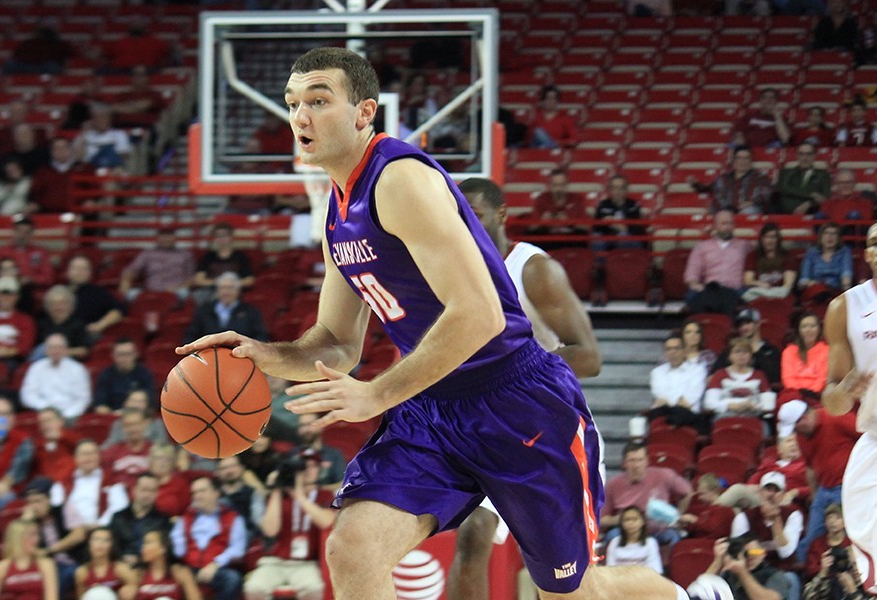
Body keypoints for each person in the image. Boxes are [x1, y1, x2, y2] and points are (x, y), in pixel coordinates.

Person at [180, 46, 682, 600]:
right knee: (354, 547)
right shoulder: (337, 210)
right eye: (293, 102)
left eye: (319, 100)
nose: (301, 115)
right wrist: (263, 354)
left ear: (364, 112)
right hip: (433, 411)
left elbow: (481, 315)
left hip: (518, 406)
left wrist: (375, 395)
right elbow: (338, 342)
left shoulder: (400, 180)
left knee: (572, 594)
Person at [451, 176, 606, 599]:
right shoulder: (451, 275)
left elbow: (589, 356)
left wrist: (515, 375)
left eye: (476, 215)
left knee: (573, 585)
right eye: (459, 216)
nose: (466, 224)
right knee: (471, 537)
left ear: (501, 216)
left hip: (552, 432)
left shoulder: (533, 269)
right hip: (488, 432)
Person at [820, 217, 877, 594]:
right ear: (866, 253)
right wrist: (846, 388)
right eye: (876, 243)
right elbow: (832, 403)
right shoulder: (845, 308)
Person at [243, 448, 336, 600]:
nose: (307, 470)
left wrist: (299, 495)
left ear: (320, 470)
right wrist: (277, 489)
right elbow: (270, 531)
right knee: (254, 588)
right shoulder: (281, 496)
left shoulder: (324, 495)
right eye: (303, 466)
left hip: (306, 563)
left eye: (313, 465)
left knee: (313, 589)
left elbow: (327, 521)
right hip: (276, 561)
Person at [777, 400, 860, 562]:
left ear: (805, 418)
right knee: (811, 538)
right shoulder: (802, 436)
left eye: (795, 427)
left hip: (848, 486)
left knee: (848, 535)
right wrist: (815, 498)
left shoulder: (836, 416)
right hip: (824, 489)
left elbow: (868, 437)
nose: (795, 433)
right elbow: (810, 468)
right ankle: (807, 576)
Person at [600, 442, 692, 548]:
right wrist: (622, 519)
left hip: (658, 530)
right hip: (627, 532)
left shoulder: (663, 475)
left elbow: (687, 492)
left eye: (640, 460)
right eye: (632, 461)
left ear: (647, 461)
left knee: (674, 538)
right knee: (612, 537)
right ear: (624, 463)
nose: (636, 465)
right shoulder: (613, 484)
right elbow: (602, 519)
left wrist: (678, 515)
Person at [170, 476, 246, 600]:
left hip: (217, 568)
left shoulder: (233, 518)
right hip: (189, 568)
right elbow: (178, 551)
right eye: (194, 493)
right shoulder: (184, 519)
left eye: (202, 491)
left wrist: (215, 564)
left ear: (216, 493)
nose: (197, 496)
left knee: (233, 579)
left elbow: (238, 549)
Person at [20, 476, 85, 598]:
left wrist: (50, 550)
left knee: (58, 576)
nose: (34, 507)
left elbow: (79, 535)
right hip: (44, 564)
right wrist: (25, 523)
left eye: (38, 501)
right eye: (30, 502)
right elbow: (18, 545)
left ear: (50, 499)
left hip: (71, 561)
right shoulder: (31, 520)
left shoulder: (63, 509)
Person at [684, 209, 752, 312]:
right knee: (692, 296)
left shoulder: (744, 245)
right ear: (715, 226)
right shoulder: (702, 246)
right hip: (710, 289)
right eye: (724, 224)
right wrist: (695, 285)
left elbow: (755, 263)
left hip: (736, 290)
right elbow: (692, 271)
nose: (727, 227)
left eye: (730, 223)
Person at [51, 440, 130, 529]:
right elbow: (56, 505)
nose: (88, 458)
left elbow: (119, 506)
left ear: (99, 456)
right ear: (75, 458)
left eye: (92, 454)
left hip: (101, 532)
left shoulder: (111, 480)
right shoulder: (64, 482)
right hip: (71, 532)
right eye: (84, 454)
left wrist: (99, 525)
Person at [19, 333, 92, 420]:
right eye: (52, 347)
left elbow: (83, 399)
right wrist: (46, 409)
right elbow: (28, 394)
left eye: (59, 347)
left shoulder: (78, 369)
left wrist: (66, 415)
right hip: (42, 413)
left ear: (65, 350)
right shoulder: (36, 367)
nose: (56, 351)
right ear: (46, 350)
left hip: (69, 415)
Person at [704, 338, 777, 422]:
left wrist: (755, 407)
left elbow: (768, 405)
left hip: (752, 417)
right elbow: (709, 403)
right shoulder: (720, 374)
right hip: (725, 416)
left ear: (750, 355)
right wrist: (730, 405)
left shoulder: (759, 375)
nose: (741, 355)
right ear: (730, 355)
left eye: (745, 352)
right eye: (737, 352)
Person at [0, 519, 58, 600]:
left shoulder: (46, 564)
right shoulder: (1, 567)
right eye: (31, 535)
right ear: (17, 538)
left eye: (37, 534)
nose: (36, 539)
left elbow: (52, 597)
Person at [109, 472, 172, 568]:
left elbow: (165, 549)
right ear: (134, 490)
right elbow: (111, 545)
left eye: (152, 491)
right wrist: (122, 557)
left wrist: (140, 559)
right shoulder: (118, 518)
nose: (147, 495)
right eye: (144, 490)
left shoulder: (163, 520)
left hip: (150, 567)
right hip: (120, 566)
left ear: (157, 493)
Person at [185, 272, 269, 343]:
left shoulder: (251, 311)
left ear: (238, 291)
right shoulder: (204, 310)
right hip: (209, 356)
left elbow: (261, 337)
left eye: (230, 288)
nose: (226, 292)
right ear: (217, 290)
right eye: (223, 288)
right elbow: (191, 336)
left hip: (241, 356)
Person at [648, 333, 707, 431]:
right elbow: (659, 393)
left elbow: (693, 395)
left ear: (684, 351)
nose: (673, 352)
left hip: (688, 412)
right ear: (665, 353)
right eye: (669, 349)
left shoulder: (697, 370)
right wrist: (678, 400)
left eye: (676, 348)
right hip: (662, 411)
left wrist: (668, 401)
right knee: (657, 415)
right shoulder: (657, 372)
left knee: (680, 415)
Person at [710, 308, 783, 387]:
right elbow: (713, 377)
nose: (743, 328)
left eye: (748, 323)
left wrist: (758, 353)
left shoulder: (771, 350)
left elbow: (775, 379)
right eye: (740, 325)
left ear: (758, 323)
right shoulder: (730, 350)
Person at [704, 533, 790, 600]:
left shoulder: (774, 575)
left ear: (763, 553)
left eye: (754, 552)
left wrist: (742, 572)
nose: (750, 557)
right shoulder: (729, 574)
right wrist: (718, 561)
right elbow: (700, 591)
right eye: (745, 553)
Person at [120, 228, 196, 301]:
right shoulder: (147, 254)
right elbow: (131, 270)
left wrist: (177, 287)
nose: (166, 239)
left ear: (175, 237)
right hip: (150, 292)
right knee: (130, 294)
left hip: (176, 291)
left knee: (185, 293)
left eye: (169, 235)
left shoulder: (185, 255)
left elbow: (191, 279)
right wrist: (126, 278)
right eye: (163, 235)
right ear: (157, 238)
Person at [690, 147, 773, 214]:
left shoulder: (760, 178)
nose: (742, 161)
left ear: (751, 161)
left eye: (746, 158)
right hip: (726, 211)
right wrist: (695, 184)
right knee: (714, 211)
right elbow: (708, 188)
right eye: (739, 158)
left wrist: (752, 202)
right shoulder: (723, 178)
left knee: (748, 211)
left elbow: (765, 195)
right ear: (734, 160)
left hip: (748, 210)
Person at [0, 217, 55, 289]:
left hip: (32, 290)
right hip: (6, 289)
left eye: (27, 232)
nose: (22, 235)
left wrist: (31, 280)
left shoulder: (40, 252)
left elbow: (48, 277)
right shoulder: (1, 251)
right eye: (19, 231)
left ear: (32, 233)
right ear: (14, 231)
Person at [64, 255, 124, 340]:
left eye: (83, 269)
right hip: (60, 335)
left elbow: (118, 311)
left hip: (86, 335)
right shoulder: (58, 291)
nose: (79, 272)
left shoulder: (99, 293)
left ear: (89, 273)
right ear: (68, 272)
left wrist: (100, 324)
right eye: (75, 268)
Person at [134, 530, 202, 600]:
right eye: (144, 543)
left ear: (162, 548)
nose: (143, 548)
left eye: (148, 542)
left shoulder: (180, 572)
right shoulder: (139, 575)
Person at [93, 339, 155, 413]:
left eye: (128, 354)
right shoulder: (105, 375)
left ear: (136, 354)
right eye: (120, 354)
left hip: (138, 415)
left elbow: (151, 404)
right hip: (113, 415)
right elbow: (100, 405)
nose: (124, 358)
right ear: (112, 355)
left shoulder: (144, 374)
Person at [74, 526, 136, 598]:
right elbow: (81, 597)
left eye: (105, 540)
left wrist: (130, 590)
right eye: (96, 539)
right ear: (89, 544)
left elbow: (135, 589)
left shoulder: (121, 568)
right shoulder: (82, 572)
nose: (100, 544)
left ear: (111, 545)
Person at [33, 285, 92, 361]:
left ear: (70, 305)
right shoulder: (41, 324)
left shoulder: (78, 325)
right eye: (53, 303)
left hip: (67, 362)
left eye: (62, 303)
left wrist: (57, 352)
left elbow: (83, 351)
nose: (57, 307)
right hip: (43, 362)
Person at [193, 224, 256, 294]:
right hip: (211, 290)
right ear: (215, 238)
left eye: (225, 235)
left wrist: (230, 284)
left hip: (233, 290)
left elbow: (250, 280)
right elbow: (199, 279)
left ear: (231, 237)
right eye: (218, 236)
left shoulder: (241, 257)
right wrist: (217, 282)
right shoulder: (208, 257)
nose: (221, 238)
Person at [742, 222, 798, 302]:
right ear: (761, 239)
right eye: (766, 237)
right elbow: (748, 280)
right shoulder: (752, 256)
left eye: (773, 237)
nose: (769, 240)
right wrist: (759, 284)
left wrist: (772, 294)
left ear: (778, 239)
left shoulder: (788, 256)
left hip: (780, 294)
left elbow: (788, 284)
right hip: (759, 292)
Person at [780, 313, 829, 401]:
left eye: (813, 326)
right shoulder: (789, 351)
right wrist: (799, 394)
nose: (808, 330)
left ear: (819, 329)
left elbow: (822, 378)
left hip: (817, 395)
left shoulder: (827, 351)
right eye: (804, 326)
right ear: (799, 330)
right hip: (794, 395)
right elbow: (788, 378)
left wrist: (811, 393)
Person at [215, 456, 266, 539]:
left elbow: (259, 521)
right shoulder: (213, 495)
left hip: (248, 539)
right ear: (217, 473)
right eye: (224, 468)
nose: (229, 471)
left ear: (241, 468)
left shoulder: (252, 493)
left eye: (232, 466)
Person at [591, 174, 645, 251]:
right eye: (615, 188)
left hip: (629, 237)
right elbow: (596, 227)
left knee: (623, 237)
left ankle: (621, 262)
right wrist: (609, 224)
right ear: (610, 190)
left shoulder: (633, 205)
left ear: (626, 190)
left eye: (621, 188)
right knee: (597, 238)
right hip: (608, 236)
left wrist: (624, 228)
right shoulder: (603, 204)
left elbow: (638, 228)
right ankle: (600, 263)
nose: (618, 191)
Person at [101, 408, 153, 487]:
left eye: (136, 424)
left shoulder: (154, 451)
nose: (132, 429)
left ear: (145, 424)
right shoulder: (112, 452)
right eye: (128, 425)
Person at [775, 143, 831, 215]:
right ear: (797, 156)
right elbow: (784, 189)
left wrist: (809, 203)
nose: (804, 158)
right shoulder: (785, 173)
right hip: (785, 213)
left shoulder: (823, 175)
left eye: (808, 154)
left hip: (812, 214)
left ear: (814, 156)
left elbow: (825, 197)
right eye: (801, 154)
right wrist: (811, 194)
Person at [799, 222, 854, 295]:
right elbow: (804, 278)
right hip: (815, 291)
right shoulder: (812, 252)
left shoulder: (844, 251)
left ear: (838, 238)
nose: (830, 237)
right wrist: (811, 283)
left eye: (834, 234)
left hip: (835, 291)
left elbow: (846, 273)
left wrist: (846, 291)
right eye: (826, 233)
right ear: (821, 237)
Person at [604, 506, 662, 573]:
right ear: (622, 524)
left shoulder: (651, 542)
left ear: (642, 521)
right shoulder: (614, 542)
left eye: (635, 519)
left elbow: (656, 570)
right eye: (627, 520)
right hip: (620, 580)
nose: (631, 523)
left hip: (645, 580)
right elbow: (610, 569)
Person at [804, 503, 852, 581]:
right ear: (825, 523)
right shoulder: (817, 544)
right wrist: (823, 569)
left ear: (845, 521)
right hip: (824, 585)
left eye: (838, 518)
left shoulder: (852, 543)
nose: (832, 521)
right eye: (829, 518)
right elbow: (810, 570)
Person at [32, 407, 80, 482]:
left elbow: (84, 449)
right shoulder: (36, 445)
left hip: (70, 482)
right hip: (46, 486)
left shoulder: (72, 438)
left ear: (60, 421)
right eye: (42, 422)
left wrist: (62, 436)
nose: (45, 425)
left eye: (48, 420)